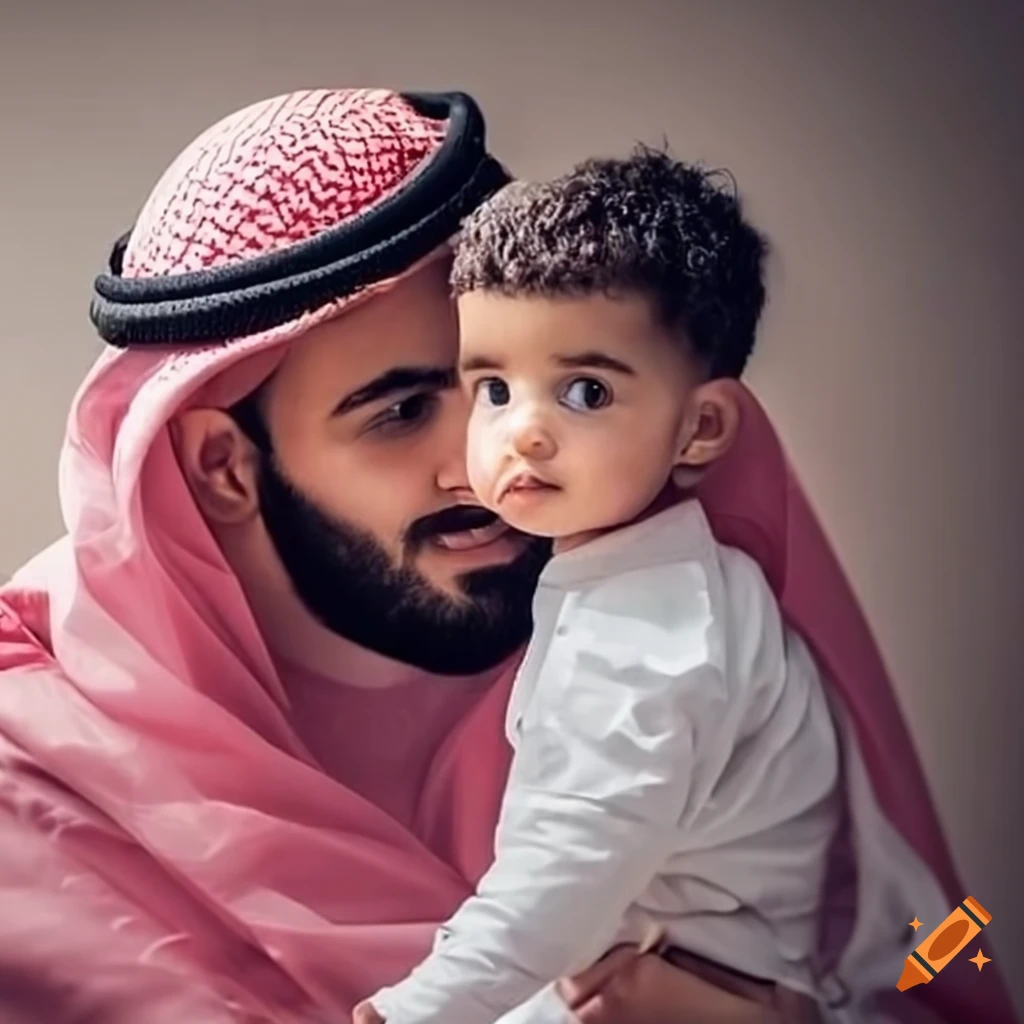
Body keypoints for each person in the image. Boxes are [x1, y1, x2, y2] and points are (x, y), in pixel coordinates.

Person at [0, 88, 1016, 1024]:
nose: (493, 464)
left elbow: (939, 941)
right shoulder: (36, 782)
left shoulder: (662, 625)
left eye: (521, 388)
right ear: (224, 464)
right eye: (403, 411)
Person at [359, 152, 841, 1024]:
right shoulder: (683, 574)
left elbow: (557, 890)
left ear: (701, 427)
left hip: (682, 991)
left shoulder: (642, 642)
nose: (525, 436)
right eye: (494, 389)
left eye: (584, 392)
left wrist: (405, 1014)